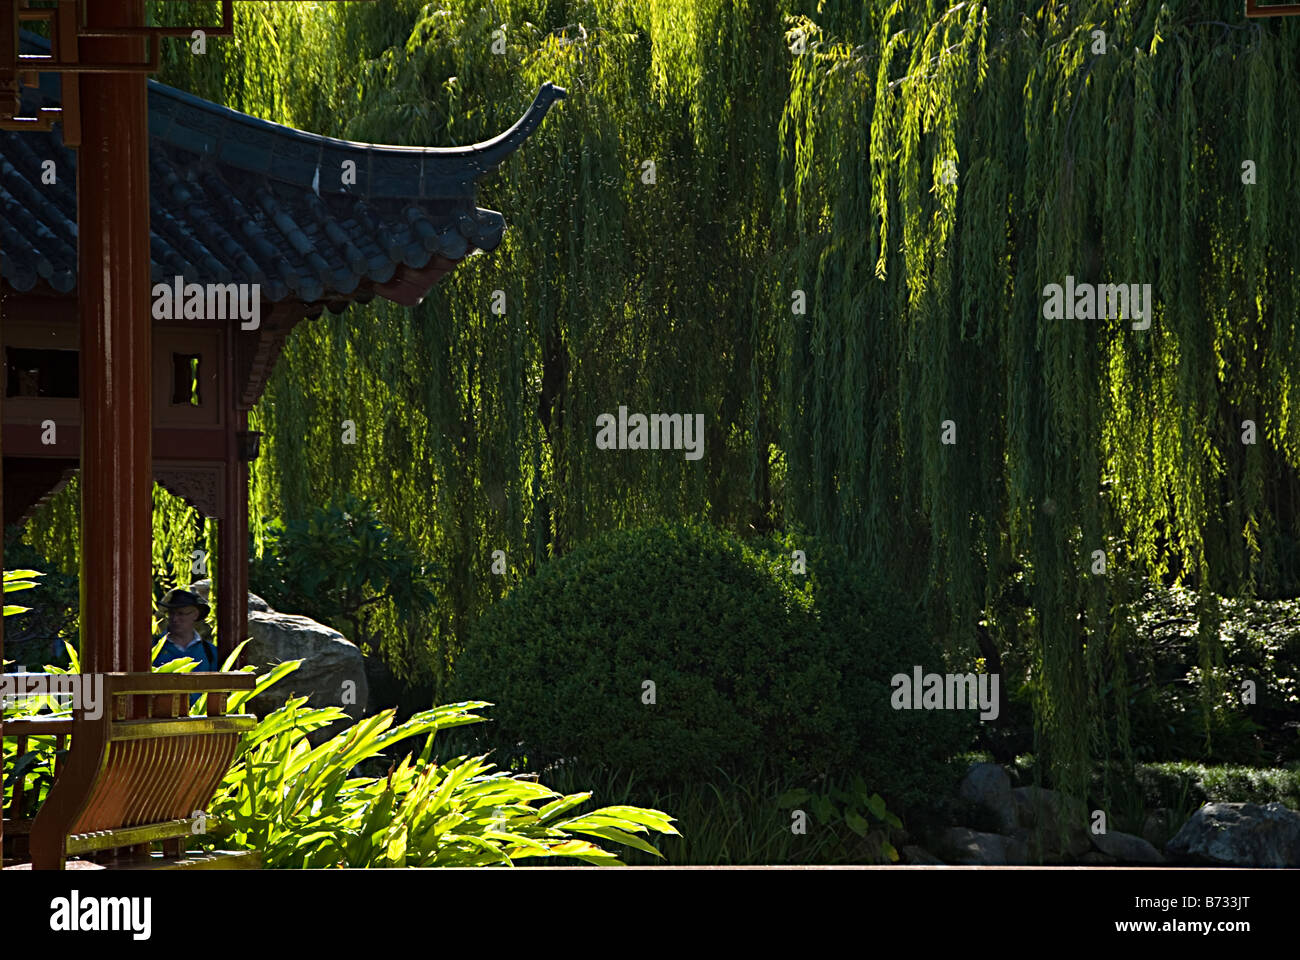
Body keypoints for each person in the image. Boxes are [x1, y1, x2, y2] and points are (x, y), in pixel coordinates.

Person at [153, 588, 220, 673]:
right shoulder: (154, 647)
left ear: (195, 615)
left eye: (181, 613)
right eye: (171, 613)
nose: (174, 619)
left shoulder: (210, 651)